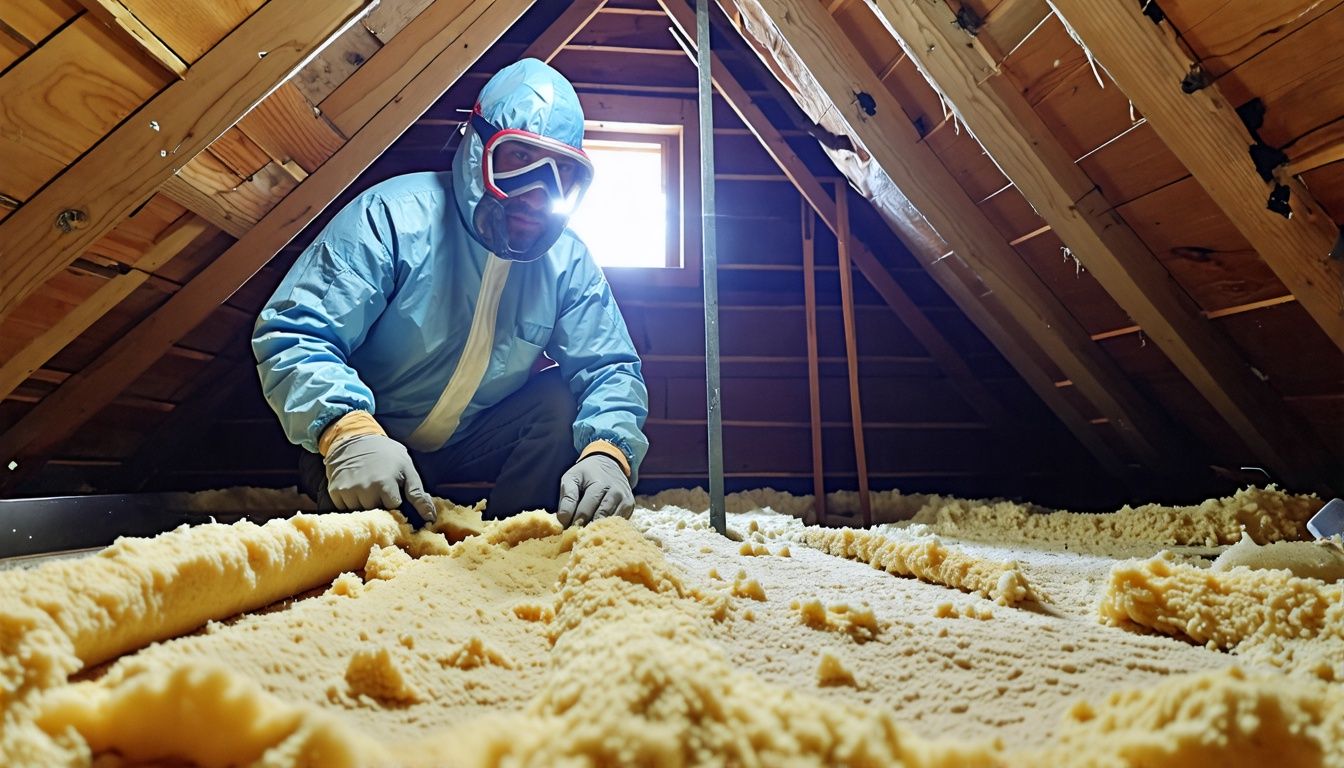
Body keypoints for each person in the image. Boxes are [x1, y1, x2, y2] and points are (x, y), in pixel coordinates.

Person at [251, 59, 648, 528]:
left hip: (476, 438)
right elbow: (294, 331)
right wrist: (347, 432)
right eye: (519, 159)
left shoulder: (569, 261)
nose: (540, 194)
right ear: (476, 146)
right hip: (369, 435)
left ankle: (523, 537)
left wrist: (610, 453)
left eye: (562, 174)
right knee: (377, 547)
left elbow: (610, 368)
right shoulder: (393, 217)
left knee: (560, 401)